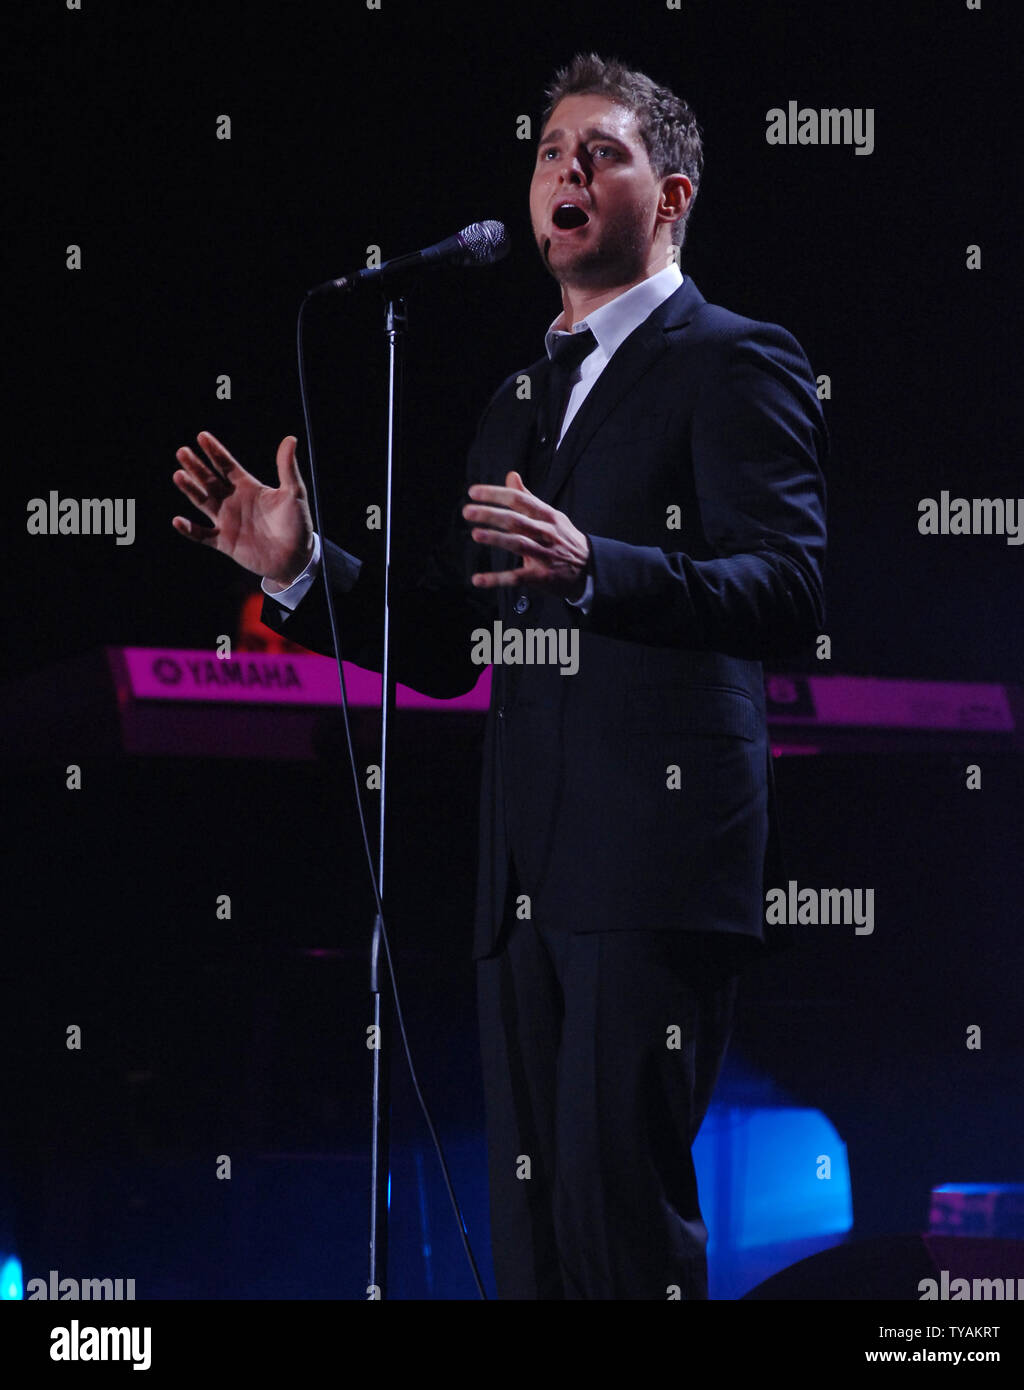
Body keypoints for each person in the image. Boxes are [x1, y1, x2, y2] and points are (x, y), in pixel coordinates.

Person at [171, 53, 828, 1300]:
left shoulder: (737, 360)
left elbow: (788, 591)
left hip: (655, 862)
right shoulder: (516, 400)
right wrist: (304, 567)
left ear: (673, 197)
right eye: (546, 153)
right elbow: (442, 643)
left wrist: (598, 566)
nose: (563, 172)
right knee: (531, 1250)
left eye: (601, 152)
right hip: (519, 872)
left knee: (616, 1217)